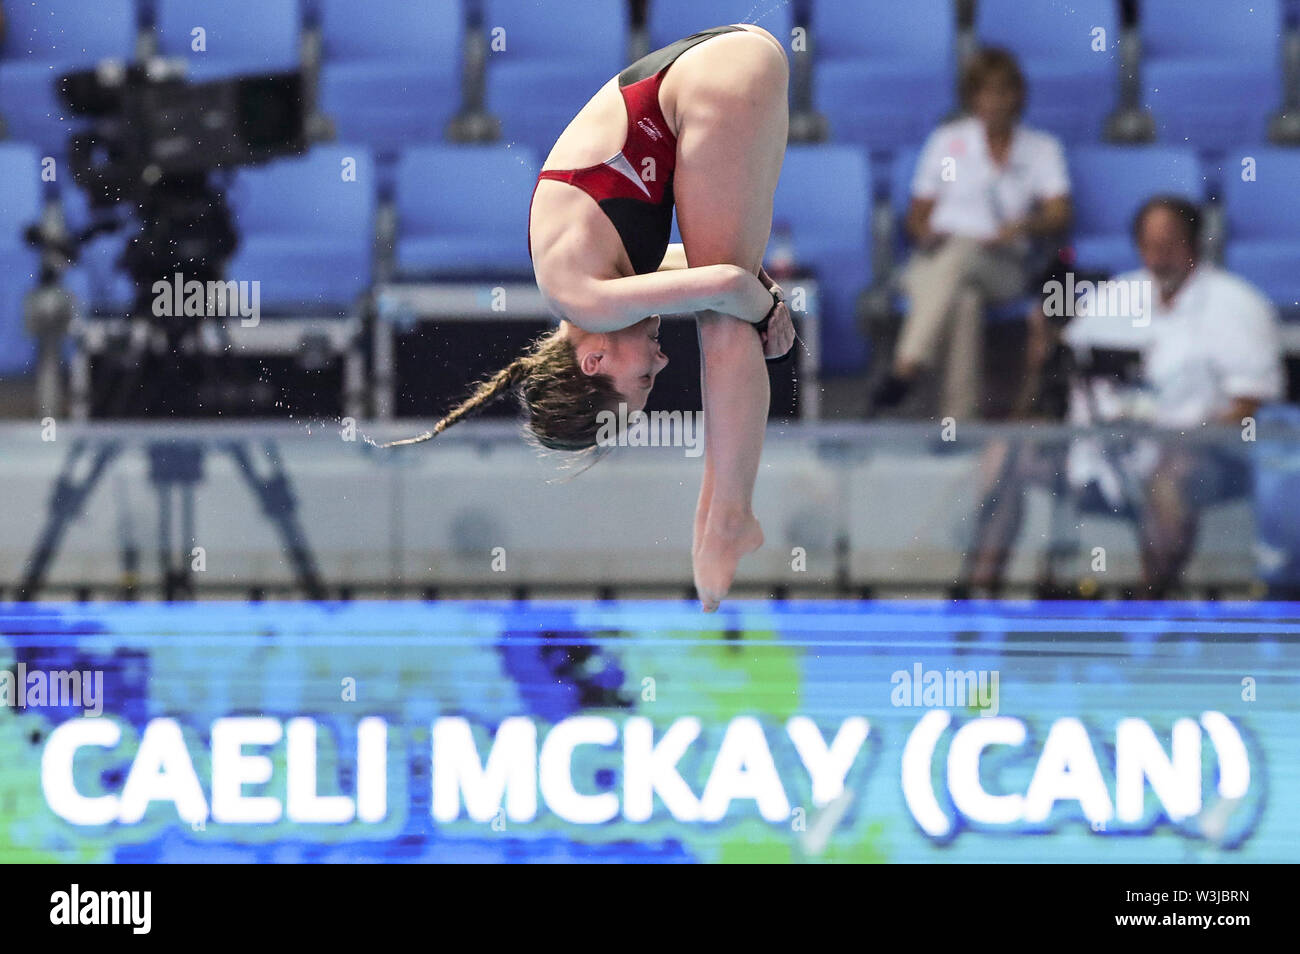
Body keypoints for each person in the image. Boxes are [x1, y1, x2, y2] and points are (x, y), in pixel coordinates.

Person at [387, 25, 794, 612]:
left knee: (726, 324)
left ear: (594, 360)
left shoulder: (586, 298)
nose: (660, 357)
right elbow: (699, 274)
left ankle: (727, 519)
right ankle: (714, 516)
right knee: (723, 305)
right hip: (715, 64)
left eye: (645, 378)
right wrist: (752, 291)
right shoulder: (583, 291)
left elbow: (729, 285)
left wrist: (769, 314)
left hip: (719, 79)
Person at [964, 196, 1286, 596]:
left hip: (1201, 455)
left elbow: (1246, 409)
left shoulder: (1238, 305)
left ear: (1195, 244)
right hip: (1100, 448)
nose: (1158, 258)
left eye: (1170, 245)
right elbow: (1064, 372)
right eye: (1149, 247)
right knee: (1006, 448)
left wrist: (1182, 440)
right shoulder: (1114, 296)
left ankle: (1149, 612)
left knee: (1172, 472)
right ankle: (977, 595)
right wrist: (1043, 338)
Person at [872, 48, 1072, 420]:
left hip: (1004, 264)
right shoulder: (949, 143)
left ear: (1018, 95)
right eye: (985, 92)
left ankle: (905, 366)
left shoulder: (1041, 148)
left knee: (961, 256)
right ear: (972, 97)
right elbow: (916, 218)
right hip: (939, 260)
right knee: (963, 300)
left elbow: (1060, 214)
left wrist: (1021, 226)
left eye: (1003, 91)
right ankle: (957, 424)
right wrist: (926, 233)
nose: (995, 102)